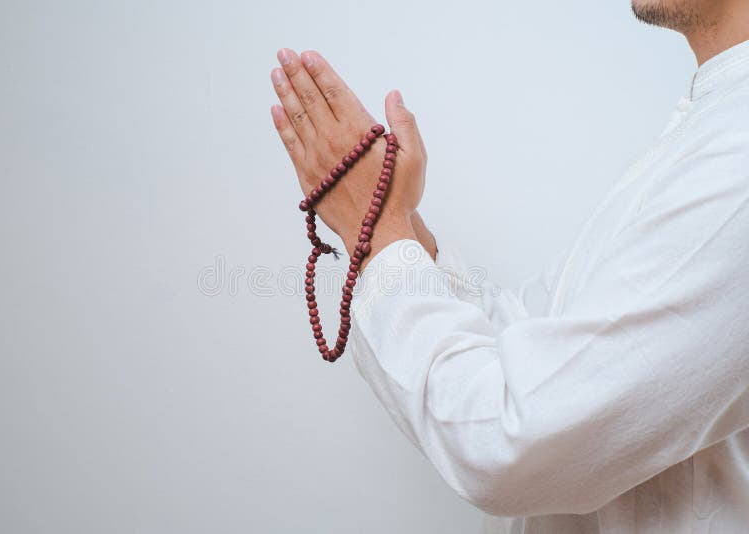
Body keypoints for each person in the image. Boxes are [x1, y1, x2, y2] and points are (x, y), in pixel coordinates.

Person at [269, 1, 749, 532]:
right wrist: (397, 222)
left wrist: (376, 226)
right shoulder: (714, 126)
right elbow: (538, 348)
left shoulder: (737, 158)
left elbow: (510, 442)